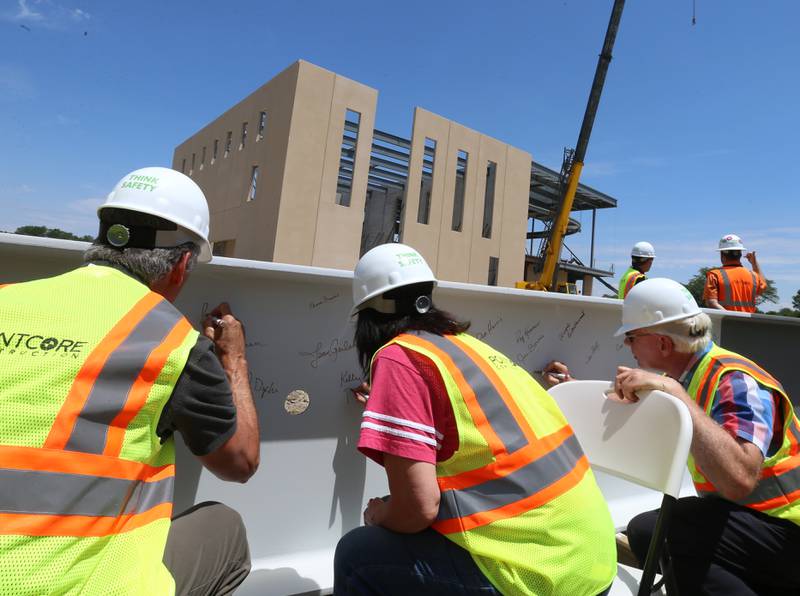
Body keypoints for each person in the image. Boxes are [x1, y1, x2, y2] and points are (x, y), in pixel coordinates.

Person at [0, 167, 260, 595]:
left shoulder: (8, 297)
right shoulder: (174, 343)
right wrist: (234, 359)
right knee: (225, 530)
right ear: (180, 266)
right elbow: (240, 464)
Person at [333, 243, 616, 596]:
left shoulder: (397, 357)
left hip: (542, 577)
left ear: (367, 315)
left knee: (357, 555)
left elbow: (417, 510)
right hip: (592, 561)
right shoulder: (462, 344)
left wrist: (379, 516)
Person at [544, 278, 800, 595]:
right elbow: (644, 421)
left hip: (787, 534)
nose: (627, 346)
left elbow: (739, 479)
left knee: (664, 531)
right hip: (755, 526)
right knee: (644, 532)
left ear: (663, 344)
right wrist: (570, 386)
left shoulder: (735, 380)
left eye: (631, 337)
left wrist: (676, 395)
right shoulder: (683, 378)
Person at [703, 233, 766, 312]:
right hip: (748, 323)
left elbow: (711, 303)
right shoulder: (753, 276)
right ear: (740, 254)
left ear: (722, 254)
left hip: (725, 323)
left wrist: (732, 319)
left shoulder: (714, 275)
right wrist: (754, 263)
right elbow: (763, 285)